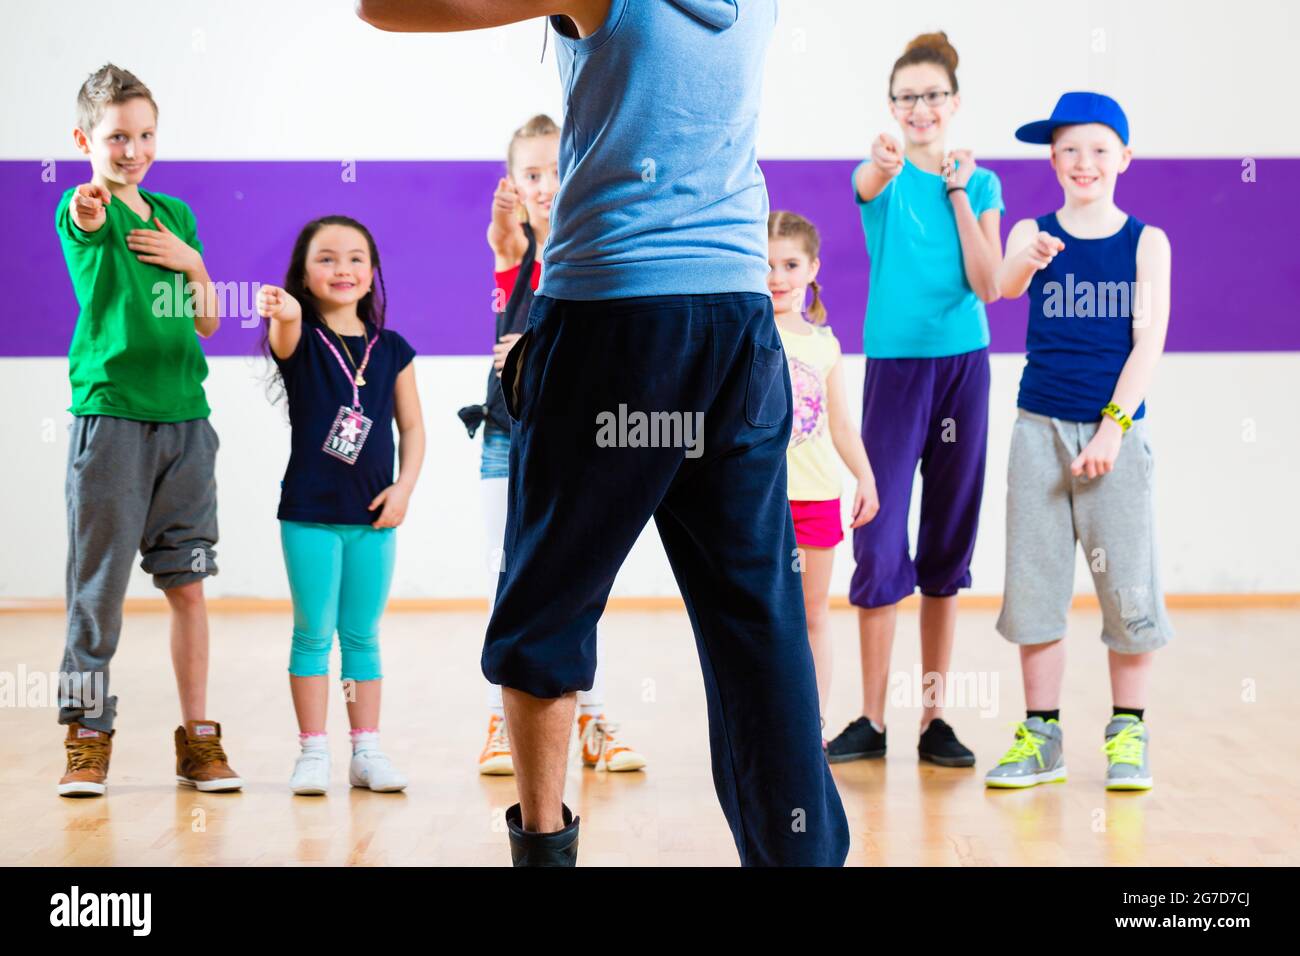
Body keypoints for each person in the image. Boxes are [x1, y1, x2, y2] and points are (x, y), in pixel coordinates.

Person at [359, 0, 849, 867]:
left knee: (546, 608)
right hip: (738, 325)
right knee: (760, 623)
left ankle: (544, 853)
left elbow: (384, 8)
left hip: (617, 324)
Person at [54, 64, 241, 797]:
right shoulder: (86, 208)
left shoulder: (177, 216)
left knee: (189, 585)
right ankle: (87, 734)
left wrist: (194, 264)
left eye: (144, 135)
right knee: (97, 586)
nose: (132, 150)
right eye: (115, 138)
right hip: (112, 421)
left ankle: (197, 742)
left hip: (187, 425)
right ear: (85, 141)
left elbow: (206, 320)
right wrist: (94, 210)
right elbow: (85, 221)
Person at [986, 92, 1173, 790]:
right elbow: (1002, 290)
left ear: (1124, 156)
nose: (1083, 162)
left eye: (1098, 149)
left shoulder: (1145, 241)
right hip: (1036, 432)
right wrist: (1027, 259)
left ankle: (1129, 730)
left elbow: (1148, 341)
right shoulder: (1031, 230)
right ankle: (1042, 738)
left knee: (1128, 587)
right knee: (1034, 585)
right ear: (1053, 159)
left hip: (1113, 435)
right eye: (1068, 150)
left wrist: (1113, 430)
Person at [827, 32, 1002, 770]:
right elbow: (867, 180)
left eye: (933, 96)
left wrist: (959, 190)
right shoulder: (883, 176)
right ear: (893, 108)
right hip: (897, 372)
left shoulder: (983, 184)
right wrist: (885, 161)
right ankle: (871, 719)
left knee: (946, 544)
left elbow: (989, 282)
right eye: (908, 98)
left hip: (963, 367)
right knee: (877, 535)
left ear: (954, 103)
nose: (921, 108)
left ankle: (934, 718)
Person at [475, 115, 645, 777]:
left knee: (579, 583)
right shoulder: (514, 252)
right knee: (511, 580)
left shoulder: (599, 254)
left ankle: (590, 718)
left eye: (557, 170)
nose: (547, 184)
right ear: (514, 185)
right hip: (506, 439)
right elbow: (502, 239)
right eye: (532, 174)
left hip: (577, 442)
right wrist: (508, 222)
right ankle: (500, 720)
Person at [256, 216, 425, 794]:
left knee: (361, 636)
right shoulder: (298, 333)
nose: (342, 268)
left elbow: (413, 429)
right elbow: (284, 328)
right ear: (304, 272)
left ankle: (366, 750)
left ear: (372, 271)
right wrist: (284, 312)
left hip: (375, 519)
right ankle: (312, 751)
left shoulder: (393, 349)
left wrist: (404, 489)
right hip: (308, 516)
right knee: (311, 633)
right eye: (326, 258)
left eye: (355, 258)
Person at [767, 210, 879, 740]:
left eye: (790, 264)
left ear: (812, 268)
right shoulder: (747, 336)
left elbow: (841, 425)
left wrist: (867, 478)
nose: (777, 277)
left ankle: (810, 725)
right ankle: (765, 724)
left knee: (812, 613)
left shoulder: (824, 344)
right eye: (765, 265)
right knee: (764, 617)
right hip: (759, 502)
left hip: (814, 500)